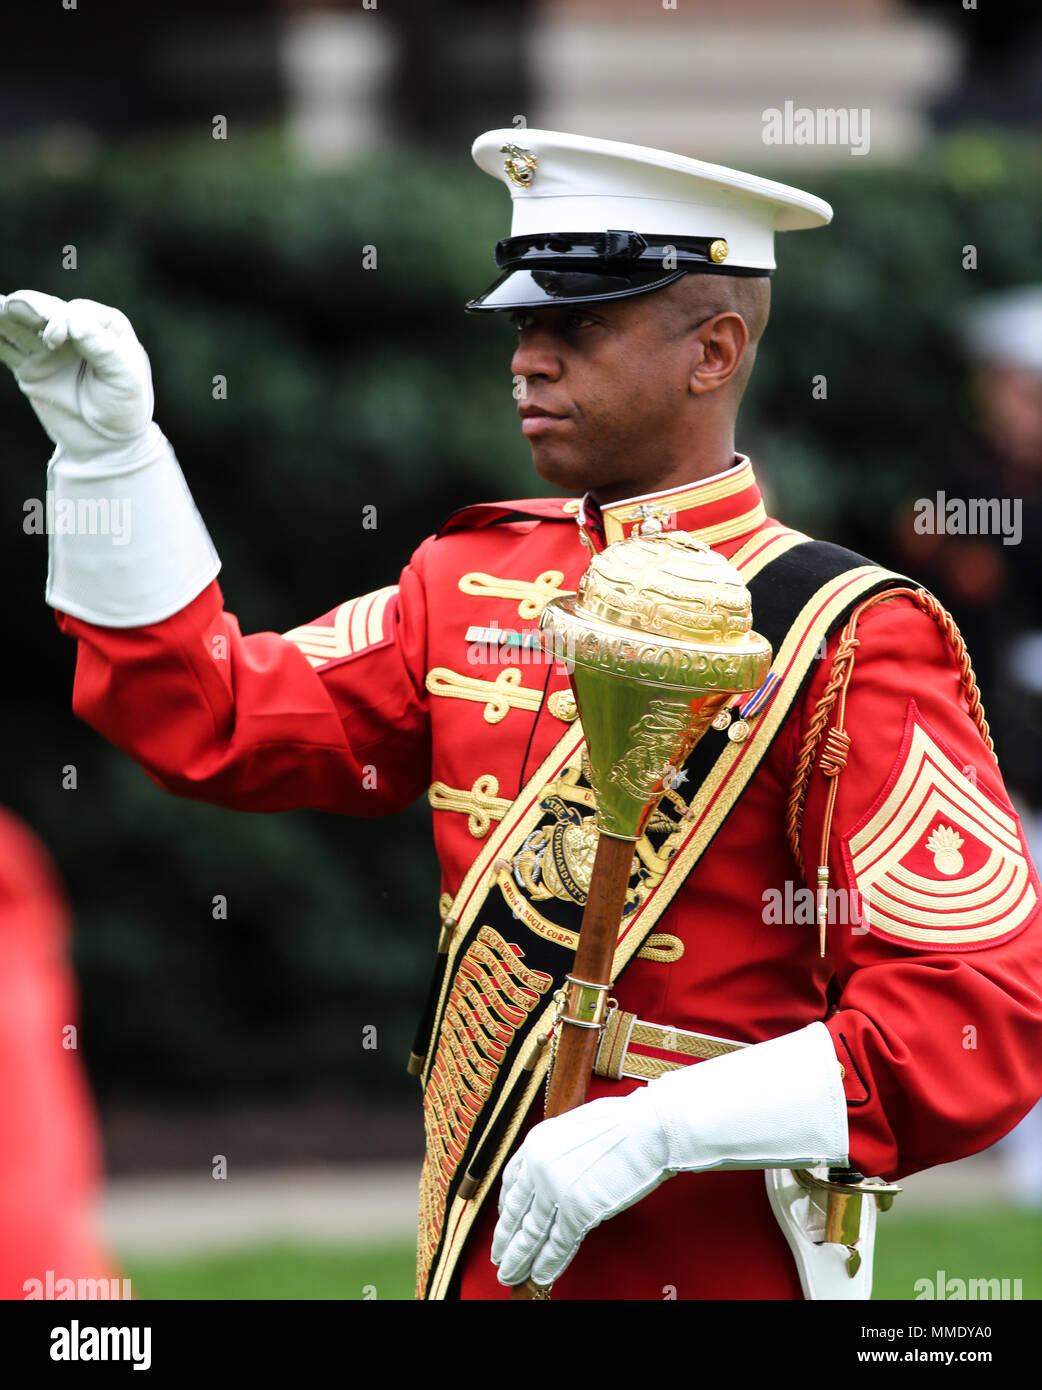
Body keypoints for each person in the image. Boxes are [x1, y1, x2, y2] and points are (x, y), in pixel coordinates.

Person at [2, 128, 1041, 1302]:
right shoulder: (466, 577)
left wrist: (664, 1123)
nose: (529, 361)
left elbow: (974, 1019)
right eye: (522, 326)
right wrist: (109, 465)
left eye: (578, 327)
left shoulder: (848, 632)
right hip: (483, 1251)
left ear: (715, 350)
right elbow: (218, 719)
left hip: (712, 1258)